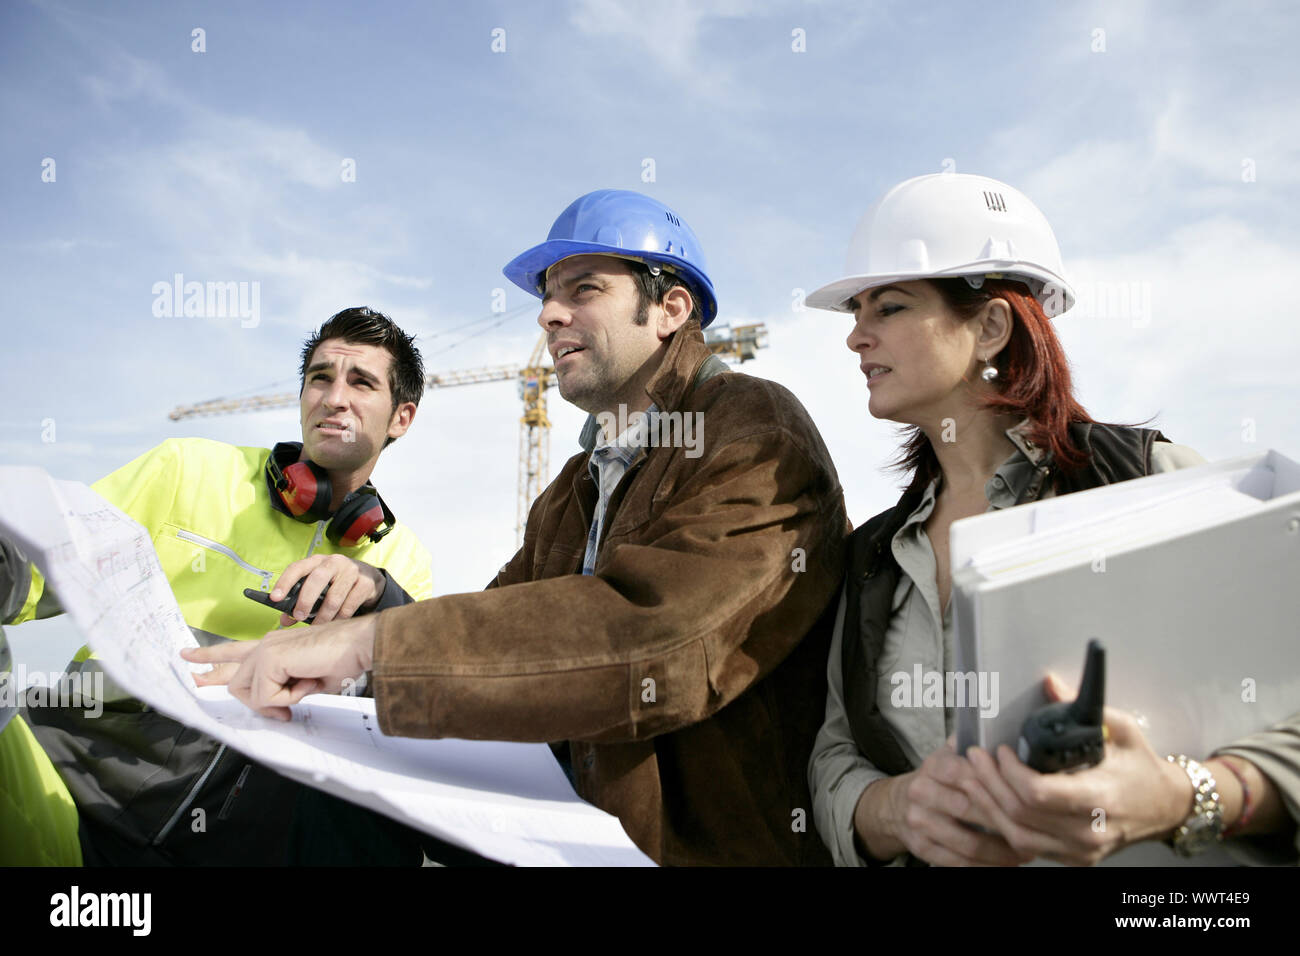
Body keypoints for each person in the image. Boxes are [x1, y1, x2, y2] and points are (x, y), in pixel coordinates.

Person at [187, 189, 849, 866]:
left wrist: (368, 645)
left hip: (688, 852)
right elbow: (507, 632)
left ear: (671, 310)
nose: (548, 314)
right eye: (548, 295)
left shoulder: (752, 428)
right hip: (571, 828)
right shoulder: (572, 487)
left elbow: (657, 639)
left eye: (583, 289)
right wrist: (379, 607)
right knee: (336, 777)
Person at [804, 172, 1300, 867]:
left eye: (888, 306)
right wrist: (897, 809)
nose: (856, 336)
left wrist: (1190, 795)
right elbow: (834, 753)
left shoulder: (1150, 483)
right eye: (857, 310)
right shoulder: (870, 557)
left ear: (991, 327)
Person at [0, 306, 434, 866]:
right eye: (320, 378)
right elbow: (48, 554)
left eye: (361, 382)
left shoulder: (403, 562)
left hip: (233, 843)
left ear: (401, 417)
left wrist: (380, 596)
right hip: (71, 786)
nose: (333, 398)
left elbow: (415, 699)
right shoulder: (187, 469)